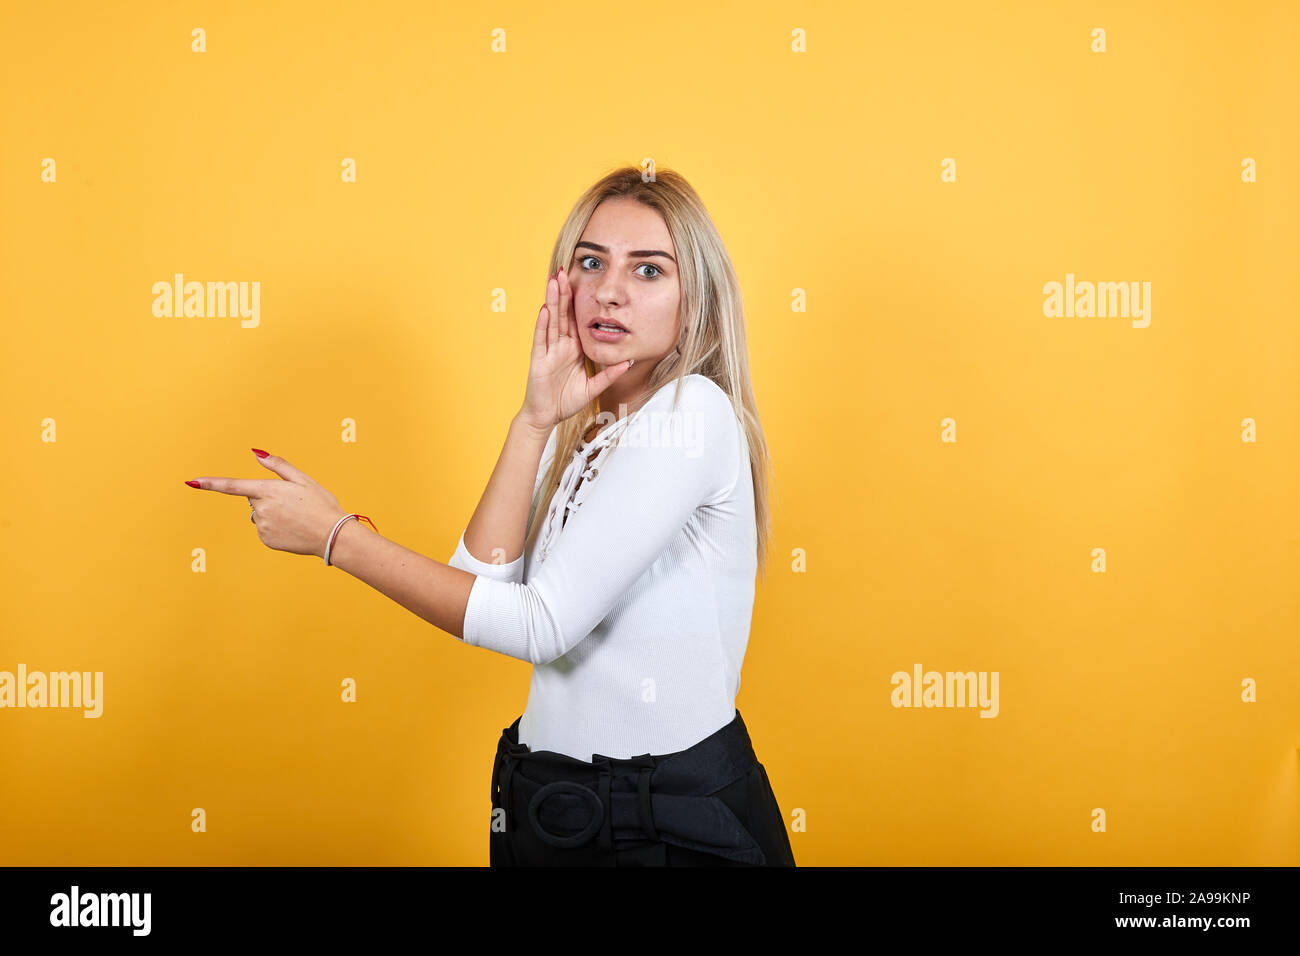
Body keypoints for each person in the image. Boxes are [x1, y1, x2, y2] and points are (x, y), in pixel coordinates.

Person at [185, 165, 794, 867]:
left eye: (649, 271)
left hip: (662, 823)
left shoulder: (692, 415)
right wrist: (534, 422)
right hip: (558, 807)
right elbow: (481, 585)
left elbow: (542, 625)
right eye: (590, 262)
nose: (610, 290)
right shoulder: (585, 429)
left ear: (696, 301)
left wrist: (334, 538)